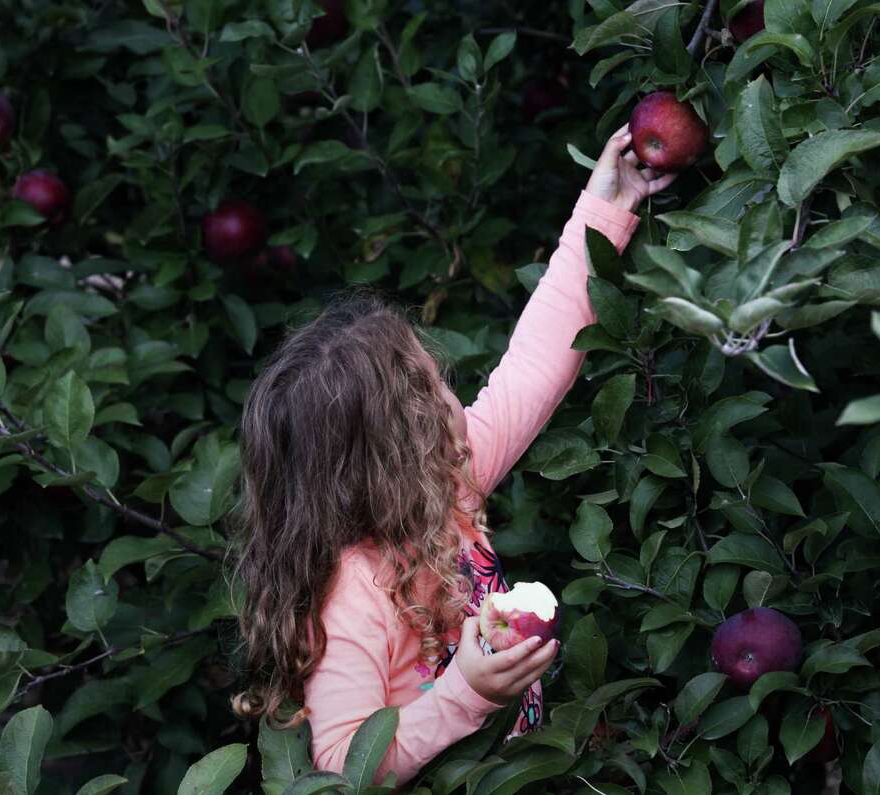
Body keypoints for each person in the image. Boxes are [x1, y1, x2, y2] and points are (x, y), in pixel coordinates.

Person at [231, 124, 676, 784]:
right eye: (430, 389)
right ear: (390, 451)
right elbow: (346, 767)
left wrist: (606, 206)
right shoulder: (350, 594)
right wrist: (465, 694)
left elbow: (535, 363)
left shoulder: (446, 483)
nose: (450, 391)